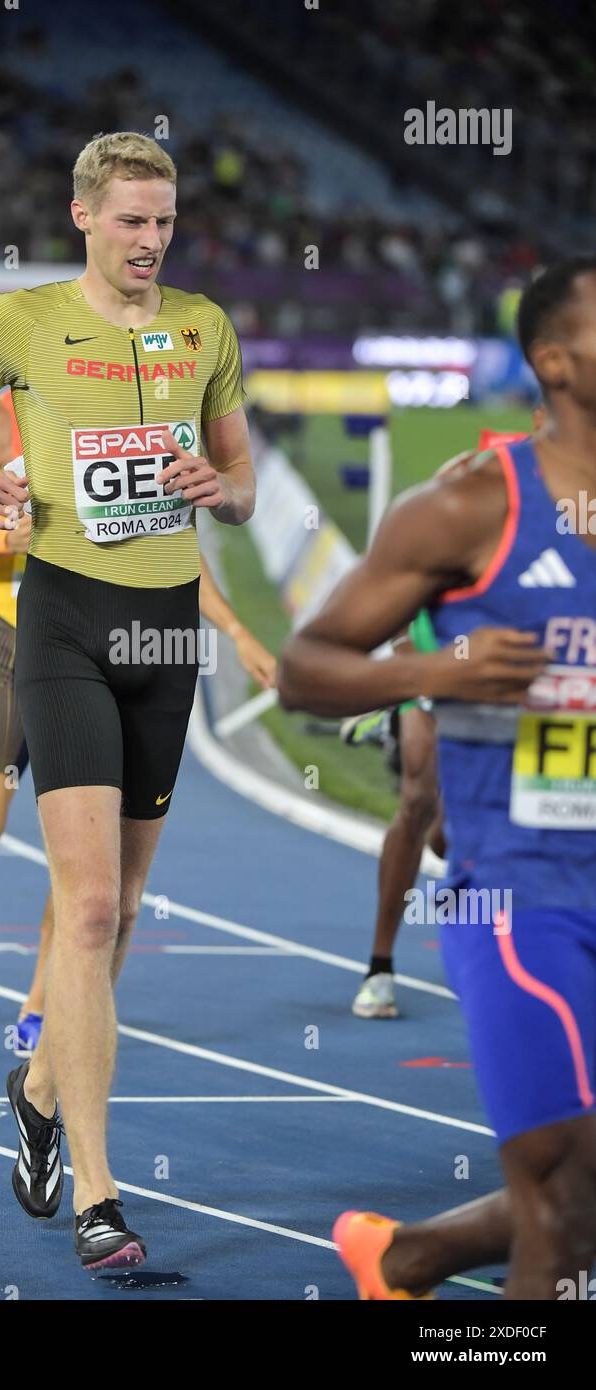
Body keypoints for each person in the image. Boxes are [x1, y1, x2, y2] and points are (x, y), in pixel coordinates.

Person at [0, 131, 255, 1269]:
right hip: (59, 622)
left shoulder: (205, 326)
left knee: (127, 907)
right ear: (82, 218)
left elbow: (242, 488)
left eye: (163, 222)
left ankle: (40, 1084)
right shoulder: (20, 322)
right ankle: (99, 1196)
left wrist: (224, 488)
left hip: (165, 637)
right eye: (130, 221)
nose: (150, 241)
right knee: (91, 906)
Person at [278, 256, 596, 1299]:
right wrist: (441, 668)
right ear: (553, 359)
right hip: (525, 890)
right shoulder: (470, 503)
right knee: (559, 1190)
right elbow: (303, 667)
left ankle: (405, 1256)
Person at [0, 385, 273, 1053]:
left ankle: (42, 1005)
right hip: (13, 644)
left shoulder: (136, 429)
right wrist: (4, 537)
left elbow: (173, 549)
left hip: (97, 656)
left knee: (85, 858)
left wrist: (236, 632)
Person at [349, 429, 536, 1020]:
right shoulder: (457, 501)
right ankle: (380, 966)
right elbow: (400, 612)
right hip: (431, 669)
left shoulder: (556, 518)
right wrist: (416, 674)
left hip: (495, 691)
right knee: (418, 799)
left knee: (449, 837)